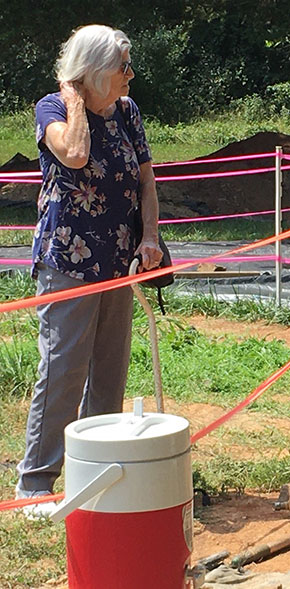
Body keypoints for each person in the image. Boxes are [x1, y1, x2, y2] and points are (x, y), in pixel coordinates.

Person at [15, 24, 162, 517]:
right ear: (95, 72)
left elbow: (146, 179)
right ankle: (35, 483)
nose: (131, 76)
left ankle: (92, 466)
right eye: (122, 68)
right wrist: (76, 99)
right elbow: (75, 154)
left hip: (119, 257)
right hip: (69, 259)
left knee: (109, 370)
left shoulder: (128, 111)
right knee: (63, 369)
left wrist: (149, 237)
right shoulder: (52, 110)